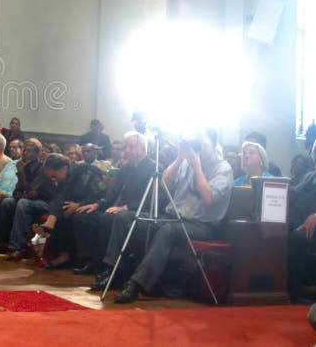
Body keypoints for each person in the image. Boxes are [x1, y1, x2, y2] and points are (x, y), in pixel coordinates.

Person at [97, 128, 232, 303]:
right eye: (193, 145)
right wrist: (180, 158)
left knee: (168, 230)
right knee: (125, 217)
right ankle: (112, 271)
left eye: (201, 145)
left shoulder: (223, 168)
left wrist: (197, 165)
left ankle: (135, 284)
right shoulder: (185, 163)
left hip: (200, 226)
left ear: (214, 144)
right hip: (172, 218)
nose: (196, 150)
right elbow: (163, 184)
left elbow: (208, 199)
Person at [71, 131, 156, 276]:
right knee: (82, 216)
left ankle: (106, 266)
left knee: (108, 218)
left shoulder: (153, 168)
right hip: (114, 209)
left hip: (136, 211)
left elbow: (150, 199)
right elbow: (112, 195)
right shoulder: (125, 168)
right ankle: (90, 259)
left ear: (143, 149)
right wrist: (97, 204)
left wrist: (124, 207)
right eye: (126, 147)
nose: (127, 151)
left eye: (132, 147)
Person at [288, 136, 316, 302]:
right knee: (270, 231)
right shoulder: (309, 175)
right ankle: (273, 284)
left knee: (297, 237)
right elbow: (295, 194)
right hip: (296, 220)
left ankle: (294, 291)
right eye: (315, 153)